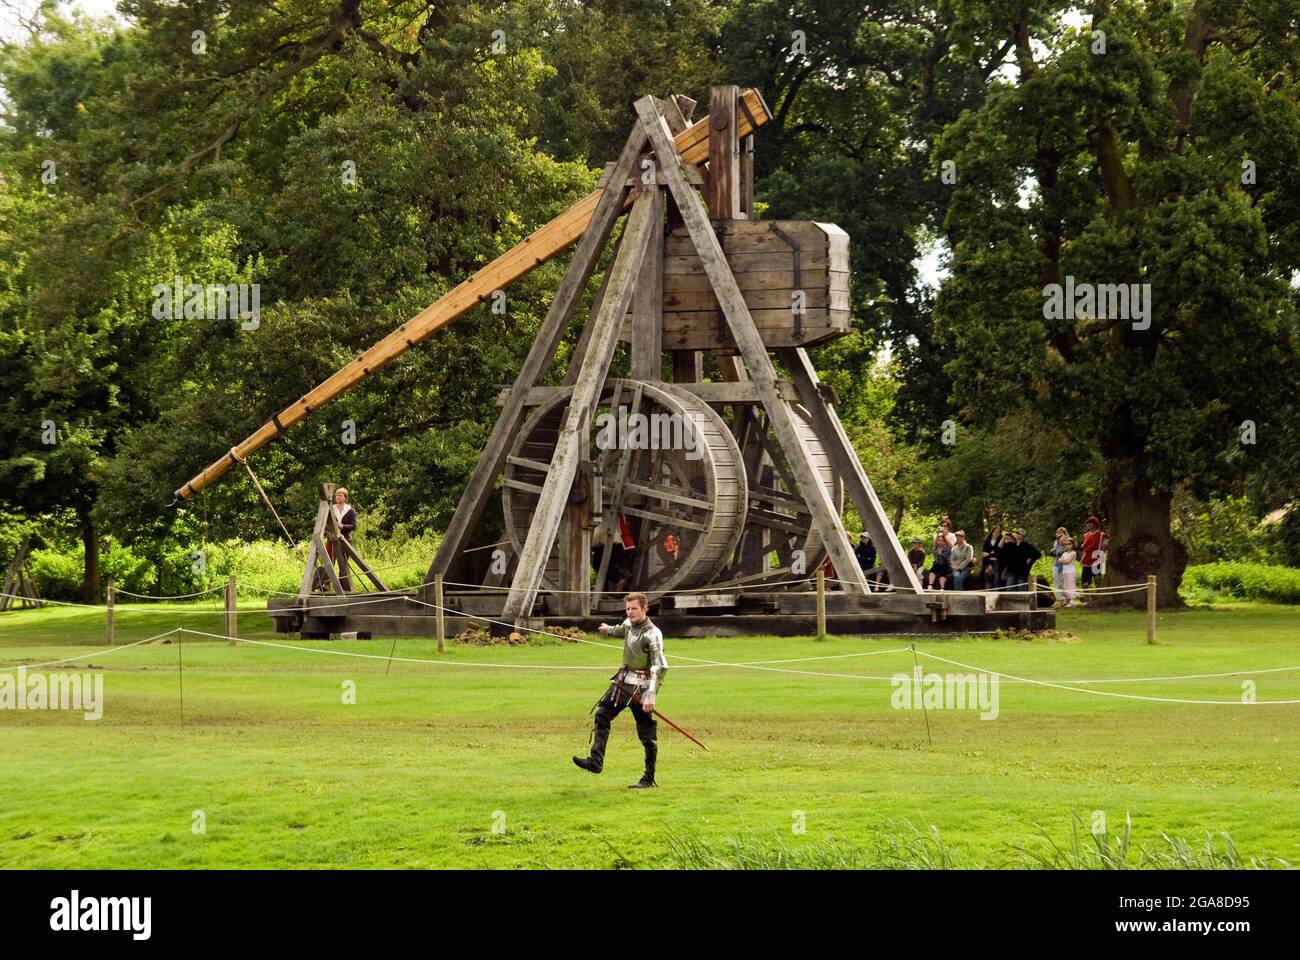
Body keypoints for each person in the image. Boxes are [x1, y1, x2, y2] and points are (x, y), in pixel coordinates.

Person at [573, 593, 667, 788]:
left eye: (634, 609)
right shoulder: (628, 624)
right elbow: (620, 630)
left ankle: (649, 778)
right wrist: (608, 630)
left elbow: (660, 667)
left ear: (644, 609)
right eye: (628, 609)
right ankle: (596, 761)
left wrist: (651, 695)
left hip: (641, 687)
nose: (630, 612)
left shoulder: (653, 633)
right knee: (602, 714)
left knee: (646, 734)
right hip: (622, 683)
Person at [321, 487, 357, 592]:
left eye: (340, 495)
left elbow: (353, 526)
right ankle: (326, 584)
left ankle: (343, 587)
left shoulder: (351, 511)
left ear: (345, 497)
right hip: (332, 539)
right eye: (336, 495)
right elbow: (325, 523)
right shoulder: (331, 509)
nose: (337, 497)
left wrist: (342, 526)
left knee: (343, 564)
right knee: (329, 561)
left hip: (345, 540)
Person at [1080, 515, 1107, 588]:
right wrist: (1082, 558)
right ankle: (1086, 597)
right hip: (1086, 560)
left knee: (1097, 580)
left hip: (1096, 560)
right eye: (1087, 523)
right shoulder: (1085, 535)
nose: (1088, 525)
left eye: (1090, 523)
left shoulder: (1101, 535)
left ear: (1095, 524)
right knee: (1085, 581)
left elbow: (1105, 546)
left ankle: (1098, 596)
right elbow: (1084, 549)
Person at [1057, 537, 1078, 606]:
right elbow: (1059, 560)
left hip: (1071, 572)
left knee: (1071, 586)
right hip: (1064, 572)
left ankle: (1072, 601)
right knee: (1065, 586)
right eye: (1066, 544)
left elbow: (1067, 562)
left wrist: (1062, 561)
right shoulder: (1064, 553)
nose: (1067, 545)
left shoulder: (1073, 553)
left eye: (1069, 544)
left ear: (1072, 545)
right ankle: (1068, 600)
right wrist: (1063, 561)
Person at [1048, 527, 1069, 596]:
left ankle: (1067, 600)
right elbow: (1055, 553)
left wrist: (1061, 550)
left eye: (1061, 533)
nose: (1059, 534)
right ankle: (1060, 600)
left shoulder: (1068, 542)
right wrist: (1053, 551)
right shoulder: (1055, 542)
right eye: (1058, 533)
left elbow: (1067, 553)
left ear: (1065, 534)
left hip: (1064, 565)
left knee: (1064, 583)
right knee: (1057, 583)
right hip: (1056, 564)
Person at [981, 525, 1002, 589]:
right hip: (988, 563)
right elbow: (984, 555)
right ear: (992, 532)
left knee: (996, 581)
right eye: (995, 531)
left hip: (997, 563)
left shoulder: (1000, 542)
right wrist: (989, 565)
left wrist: (989, 554)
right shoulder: (987, 541)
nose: (996, 533)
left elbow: (999, 554)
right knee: (988, 580)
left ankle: (996, 596)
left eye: (998, 532)